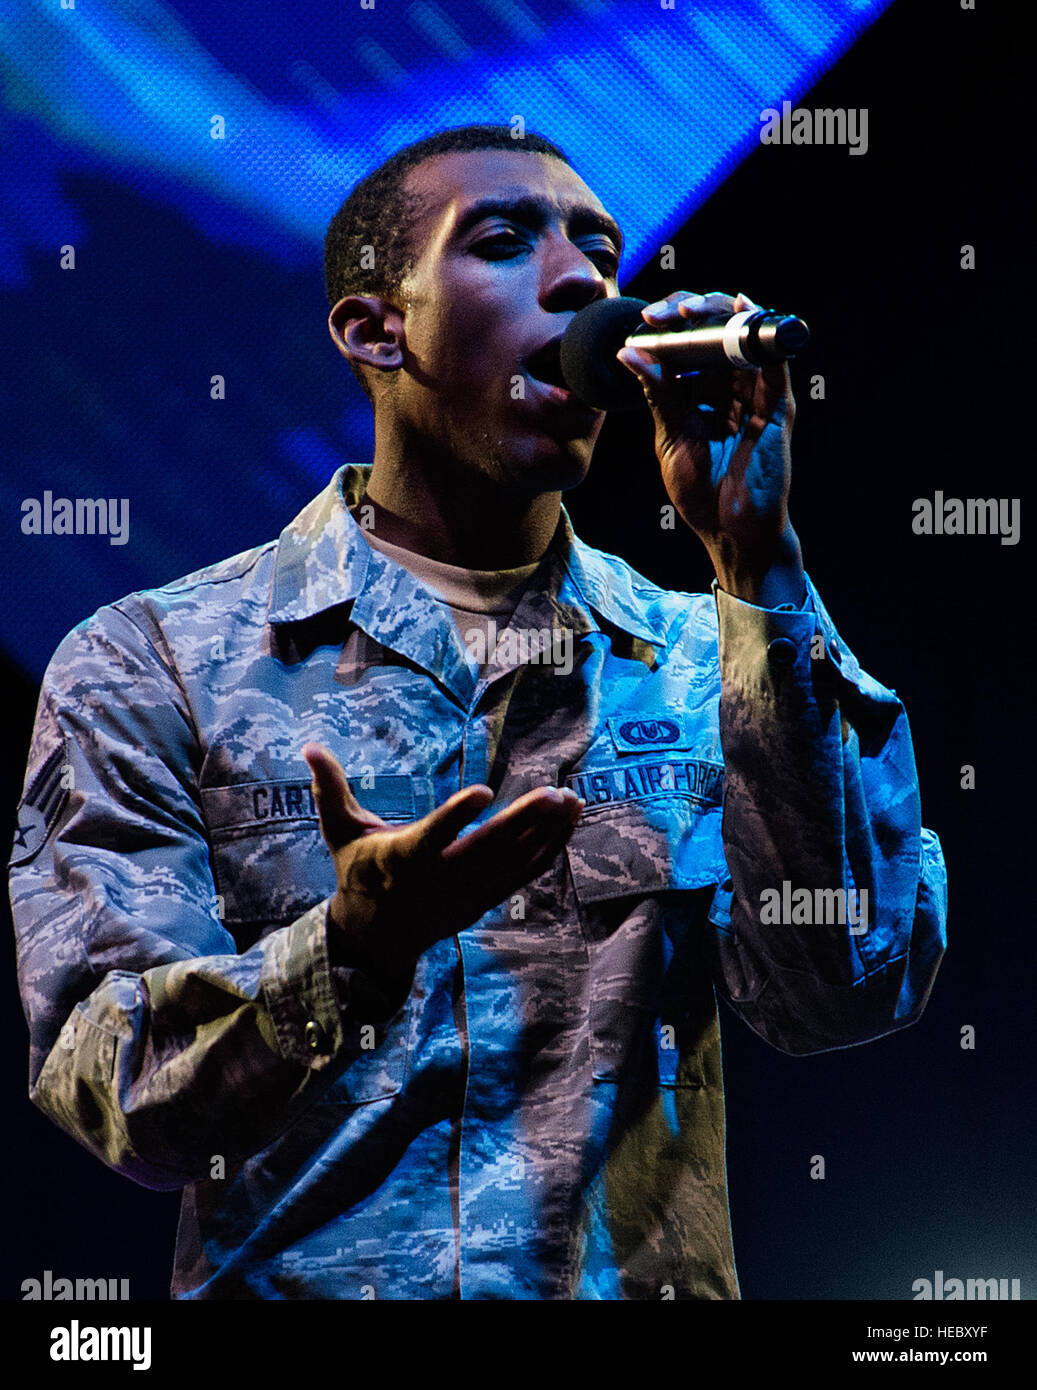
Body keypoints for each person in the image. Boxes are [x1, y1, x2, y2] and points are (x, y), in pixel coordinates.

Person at [9, 125, 947, 1300]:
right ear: (374, 330)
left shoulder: (715, 653)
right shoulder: (153, 662)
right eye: (504, 241)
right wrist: (347, 951)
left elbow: (840, 993)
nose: (583, 281)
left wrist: (757, 564)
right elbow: (116, 1088)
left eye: (601, 253)